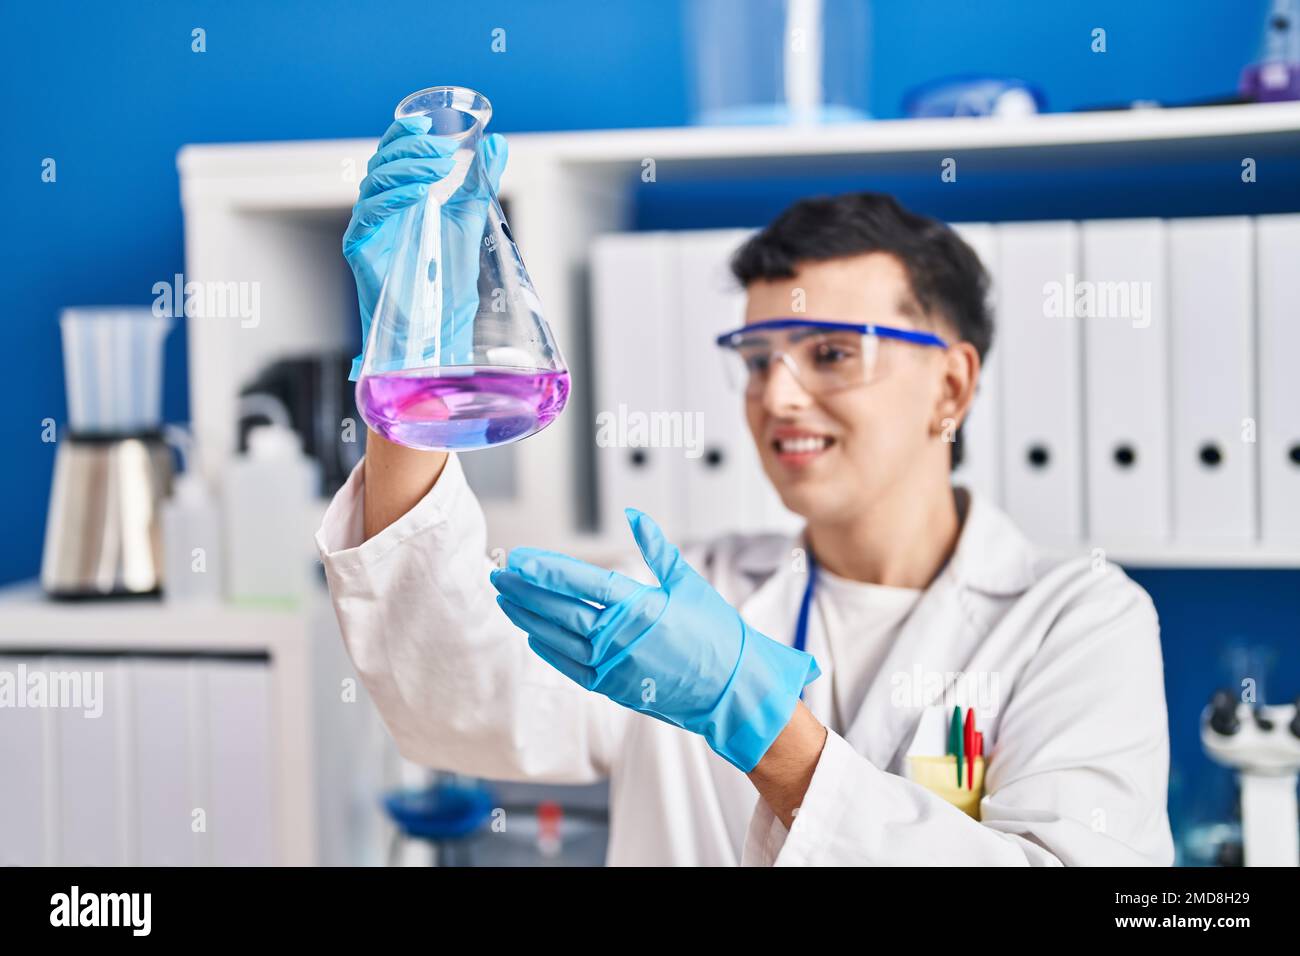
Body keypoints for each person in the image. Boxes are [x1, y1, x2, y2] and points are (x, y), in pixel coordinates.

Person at [316, 119, 1175, 866]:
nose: (779, 395)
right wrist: (408, 365)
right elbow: (452, 699)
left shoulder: (1078, 619)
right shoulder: (683, 601)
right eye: (760, 359)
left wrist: (767, 734)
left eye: (831, 354)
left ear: (951, 388)